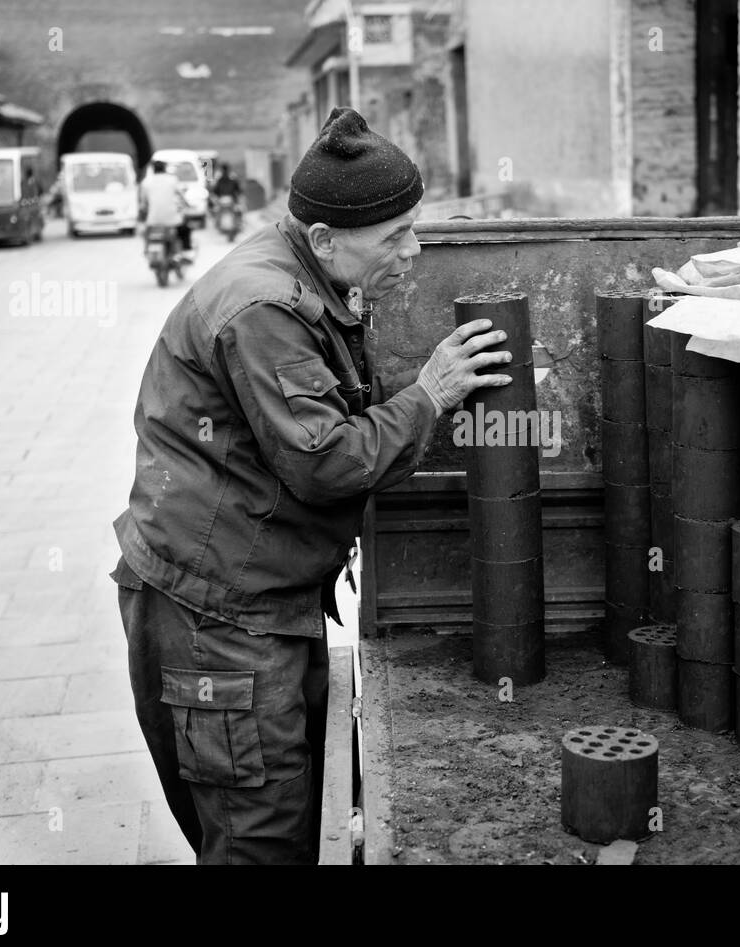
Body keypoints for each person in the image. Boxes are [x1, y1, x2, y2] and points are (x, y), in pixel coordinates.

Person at [109, 106, 512, 865]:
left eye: (412, 227)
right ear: (325, 239)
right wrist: (429, 393)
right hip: (217, 617)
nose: (413, 250)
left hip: (253, 597)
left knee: (284, 818)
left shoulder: (305, 269)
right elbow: (325, 462)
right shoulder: (264, 307)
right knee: (260, 839)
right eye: (394, 237)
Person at [140, 159, 192, 256]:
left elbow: (143, 204)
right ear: (164, 169)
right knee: (185, 230)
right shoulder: (172, 179)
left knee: (145, 232)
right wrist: (188, 205)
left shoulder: (146, 182)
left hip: (153, 220)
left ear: (153, 169)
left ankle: (146, 249)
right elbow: (181, 196)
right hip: (172, 219)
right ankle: (186, 252)